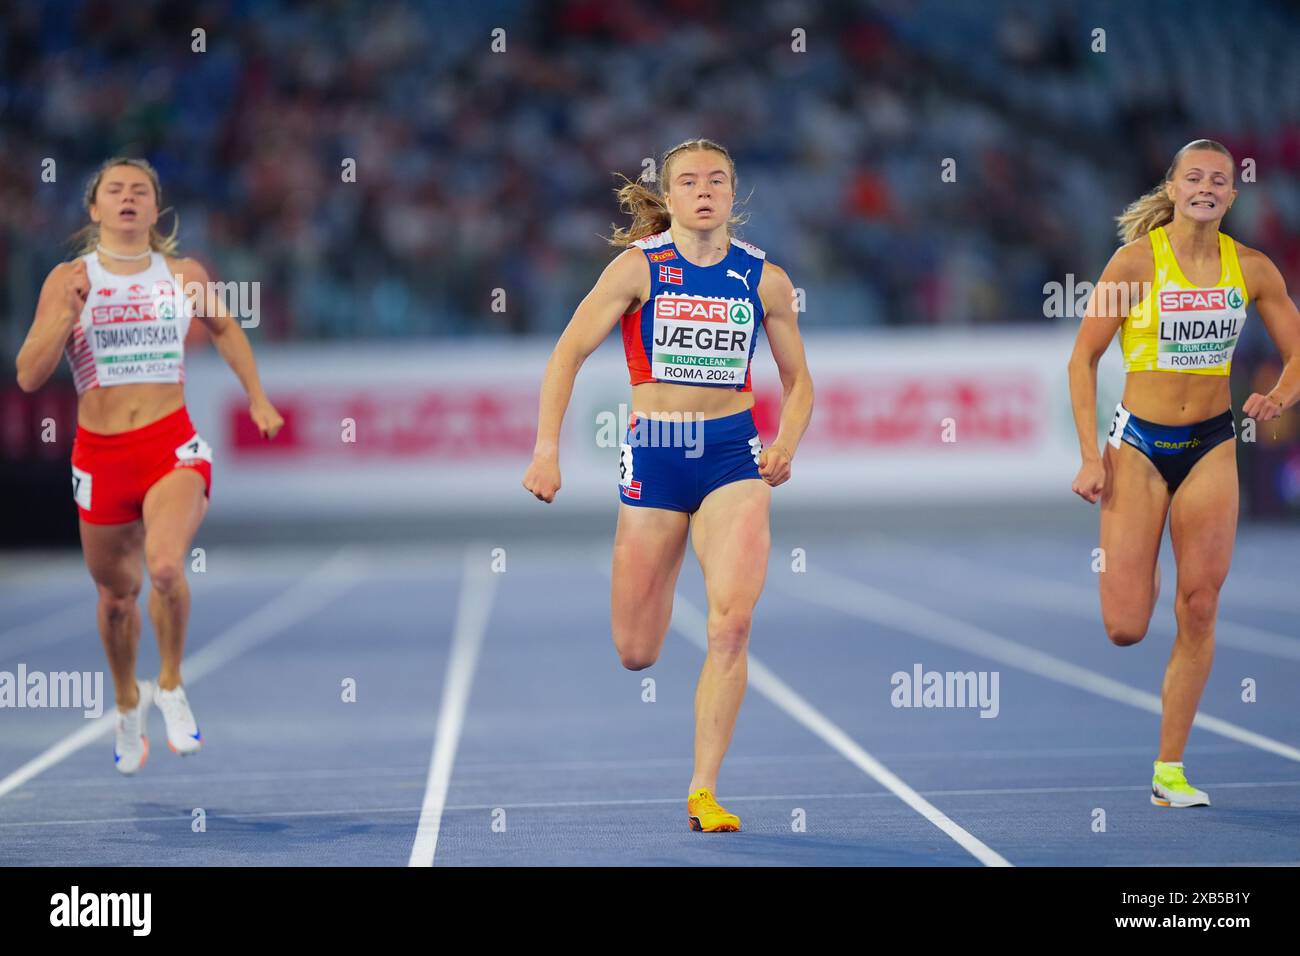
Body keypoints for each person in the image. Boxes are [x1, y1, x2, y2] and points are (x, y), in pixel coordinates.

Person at [523, 138, 814, 831]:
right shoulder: (637, 270)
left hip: (731, 459)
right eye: (689, 181)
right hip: (655, 454)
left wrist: (785, 445)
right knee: (637, 650)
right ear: (672, 196)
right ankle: (657, 598)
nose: (704, 189)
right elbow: (566, 352)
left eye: (717, 179)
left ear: (732, 195)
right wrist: (545, 451)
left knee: (732, 625)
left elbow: (800, 382)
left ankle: (704, 790)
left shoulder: (763, 278)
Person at [15, 157, 284, 774]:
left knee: (164, 566)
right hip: (100, 455)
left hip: (171, 444)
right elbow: (29, 374)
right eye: (116, 190)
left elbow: (226, 328)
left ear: (156, 209)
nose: (129, 197)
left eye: (141, 190)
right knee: (117, 596)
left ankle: (170, 683)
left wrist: (258, 397)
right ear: (95, 208)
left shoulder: (184, 273)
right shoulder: (68, 278)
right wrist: (62, 316)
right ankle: (126, 699)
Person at [1068, 139, 1300, 807]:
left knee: (1199, 607)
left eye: (1219, 180)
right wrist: (1090, 454)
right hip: (1138, 446)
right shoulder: (1135, 262)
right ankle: (1139, 554)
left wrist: (1279, 397)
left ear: (1232, 194)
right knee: (1126, 626)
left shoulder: (1251, 268)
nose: (1206, 187)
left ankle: (1169, 772)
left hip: (1212, 445)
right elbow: (1081, 361)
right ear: (1172, 188)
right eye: (1193, 176)